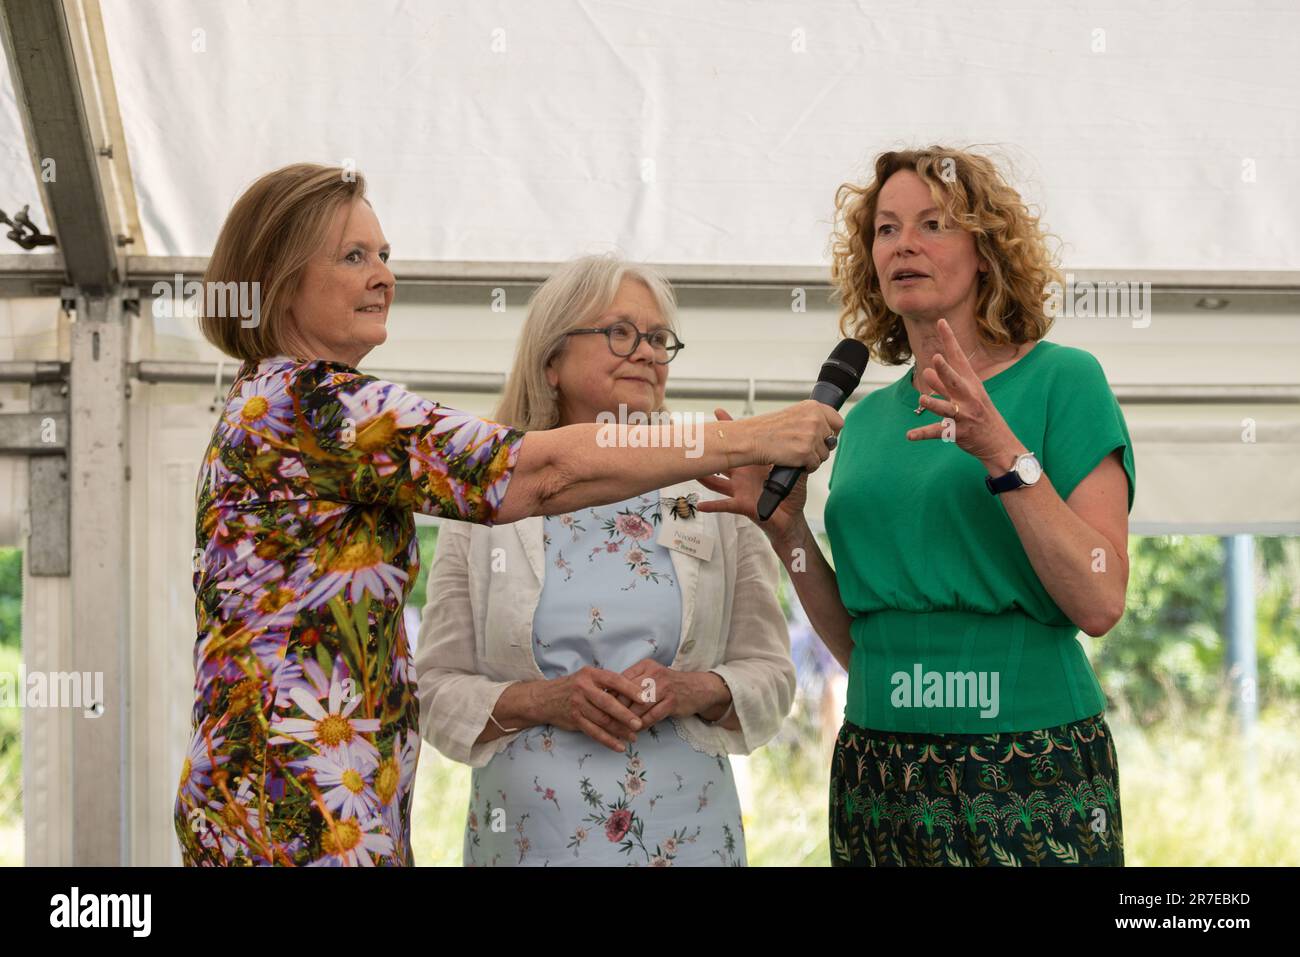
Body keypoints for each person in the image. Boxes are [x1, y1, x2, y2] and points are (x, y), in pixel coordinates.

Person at [172, 164, 842, 866]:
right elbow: (543, 473)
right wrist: (749, 435)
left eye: (385, 255)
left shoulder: (286, 404)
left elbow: (766, 670)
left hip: (310, 797)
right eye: (353, 256)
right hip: (294, 803)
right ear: (279, 279)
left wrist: (695, 686)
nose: (383, 276)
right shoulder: (315, 407)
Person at [700, 146, 1135, 866]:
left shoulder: (1065, 381)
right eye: (886, 229)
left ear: (985, 251)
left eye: (933, 224)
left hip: (1026, 761)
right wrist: (786, 530)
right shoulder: (865, 422)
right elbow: (860, 643)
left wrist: (1002, 450)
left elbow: (1100, 599)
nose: (903, 244)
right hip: (880, 771)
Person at [415, 254, 796, 866]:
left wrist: (693, 688)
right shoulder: (488, 499)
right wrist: (544, 700)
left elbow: (773, 678)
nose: (646, 352)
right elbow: (433, 691)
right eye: (621, 333)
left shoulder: (716, 489)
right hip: (526, 840)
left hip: (688, 840)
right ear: (552, 360)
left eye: (657, 339)